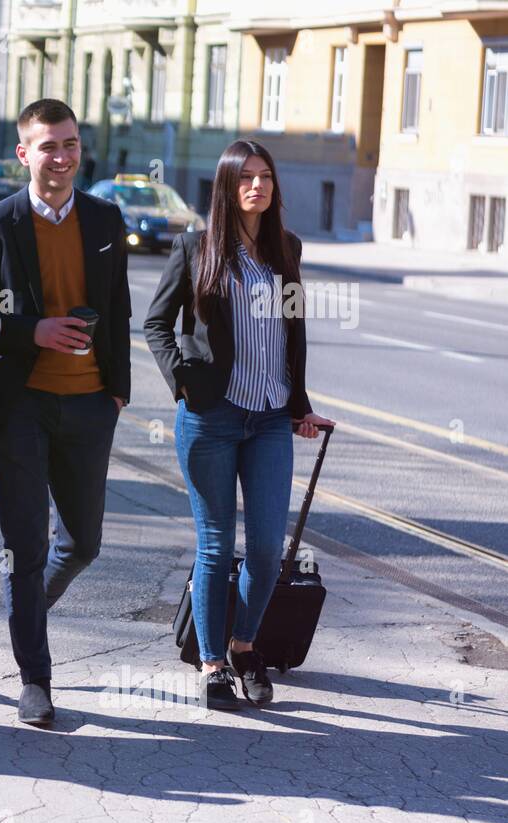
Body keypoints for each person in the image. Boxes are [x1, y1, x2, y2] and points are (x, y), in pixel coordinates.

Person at [143, 140, 335, 710]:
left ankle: (244, 647)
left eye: (265, 177)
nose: (257, 186)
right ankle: (210, 664)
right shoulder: (196, 249)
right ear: (227, 187)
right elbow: (156, 324)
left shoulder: (287, 251)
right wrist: (183, 382)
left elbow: (292, 335)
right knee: (215, 544)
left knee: (268, 548)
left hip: (272, 419)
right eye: (245, 177)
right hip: (212, 416)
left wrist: (299, 404)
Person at [0, 99, 131, 726]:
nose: (61, 157)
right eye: (47, 146)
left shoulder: (106, 219)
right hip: (21, 404)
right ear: (23, 153)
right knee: (25, 544)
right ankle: (34, 678)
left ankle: (27, 608)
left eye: (69, 144)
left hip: (91, 404)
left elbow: (116, 309)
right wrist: (31, 330)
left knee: (84, 542)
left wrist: (116, 391)